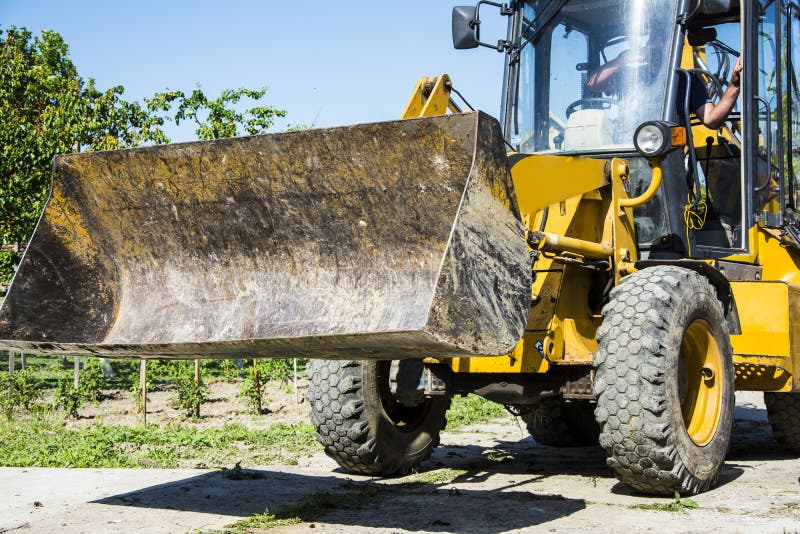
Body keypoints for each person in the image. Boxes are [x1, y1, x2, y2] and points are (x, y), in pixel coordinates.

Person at [587, 47, 743, 130]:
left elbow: (711, 120)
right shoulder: (631, 75)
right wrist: (623, 60)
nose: (656, 47)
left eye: (662, 40)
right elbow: (593, 84)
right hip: (625, 151)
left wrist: (734, 85)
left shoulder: (686, 81)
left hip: (667, 159)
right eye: (652, 41)